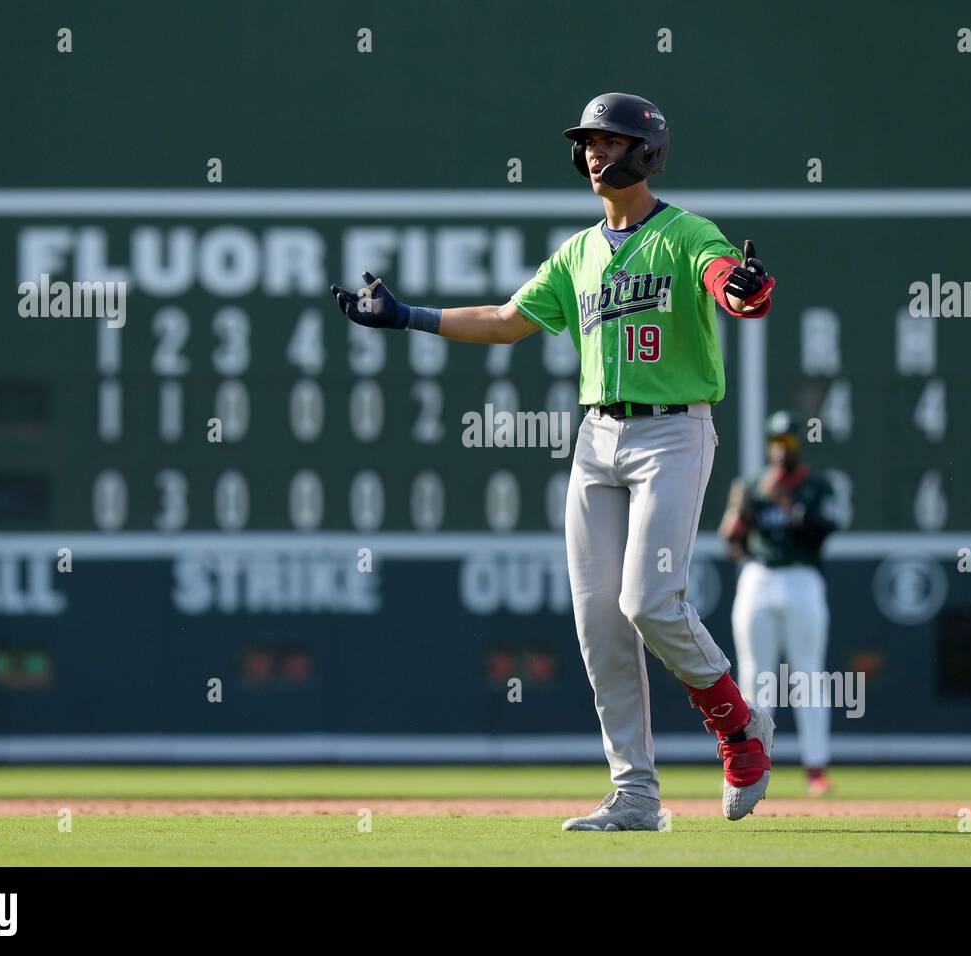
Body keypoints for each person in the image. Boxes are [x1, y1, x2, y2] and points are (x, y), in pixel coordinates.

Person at [330, 92, 778, 831]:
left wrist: (741, 290)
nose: (597, 153)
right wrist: (409, 316)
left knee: (648, 600)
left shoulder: (685, 232)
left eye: (611, 141)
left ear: (647, 151)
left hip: (672, 432)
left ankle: (738, 728)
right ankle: (635, 794)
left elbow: (725, 279)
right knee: (599, 622)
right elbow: (508, 322)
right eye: (590, 143)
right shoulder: (577, 253)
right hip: (597, 441)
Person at [718, 412, 838, 796]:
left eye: (788, 441)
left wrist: (786, 503)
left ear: (798, 444)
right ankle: (754, 765)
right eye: (776, 441)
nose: (781, 448)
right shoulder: (751, 485)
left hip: (802, 577)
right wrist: (740, 517)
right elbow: (730, 539)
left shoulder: (815, 485)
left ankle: (815, 768)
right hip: (759, 576)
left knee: (808, 678)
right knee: (755, 678)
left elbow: (823, 532)